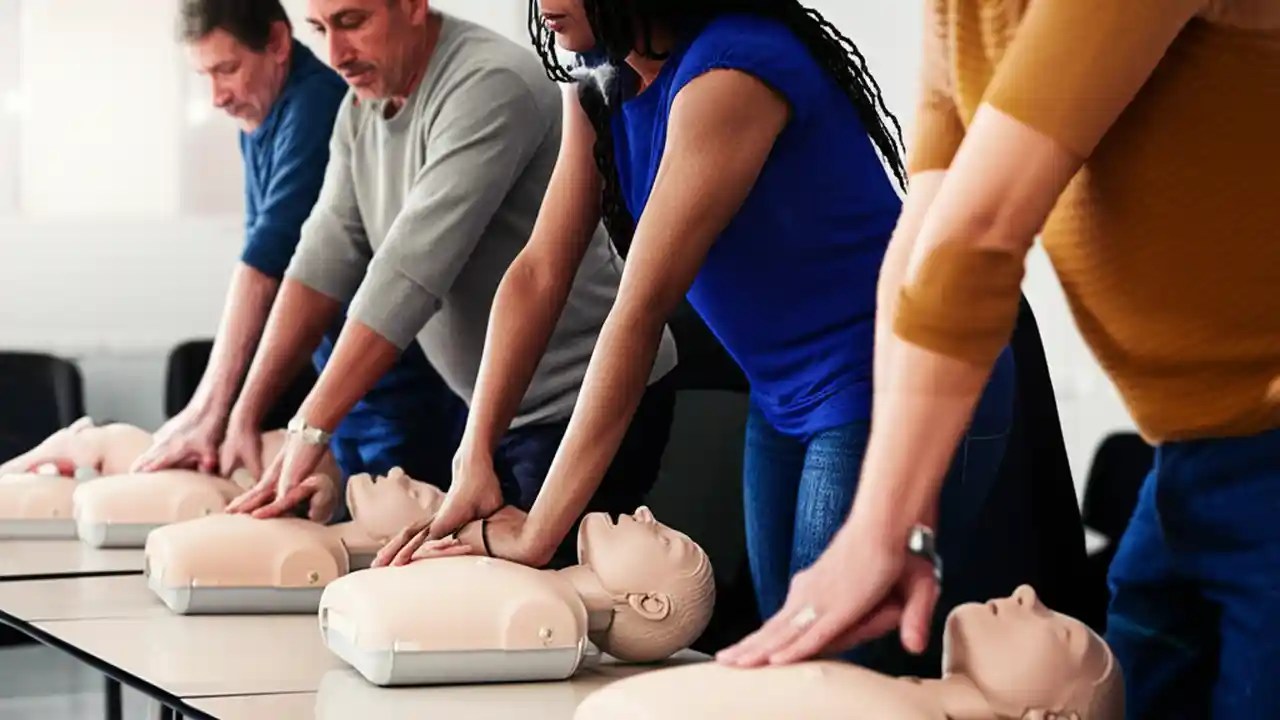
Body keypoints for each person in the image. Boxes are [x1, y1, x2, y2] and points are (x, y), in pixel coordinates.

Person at [383, 0, 1070, 676]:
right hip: (783, 402)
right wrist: (473, 457)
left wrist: (538, 535)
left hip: (885, 391)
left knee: (830, 672)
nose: (541, 4)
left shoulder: (730, 70)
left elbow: (638, 312)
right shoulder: (600, 87)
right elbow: (536, 274)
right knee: (785, 661)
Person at [719, 0, 1280, 717]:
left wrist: (879, 529)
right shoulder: (959, 9)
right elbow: (924, 242)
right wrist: (907, 518)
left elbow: (980, 237)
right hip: (1189, 460)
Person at [224, 0, 678, 566]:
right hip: (491, 410)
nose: (335, 55)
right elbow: (323, 256)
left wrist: (312, 428)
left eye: (351, 22)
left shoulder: (491, 83)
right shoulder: (360, 106)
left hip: (576, 401)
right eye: (319, 30)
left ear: (414, 5)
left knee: (532, 610)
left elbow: (410, 271)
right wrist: (247, 416)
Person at [131, 0, 467, 501]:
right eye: (204, 75)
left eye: (227, 69)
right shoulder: (259, 116)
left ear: (278, 45)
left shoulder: (315, 106)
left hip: (400, 391)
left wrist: (224, 414)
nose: (217, 96)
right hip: (345, 393)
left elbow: (268, 267)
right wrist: (206, 413)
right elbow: (265, 264)